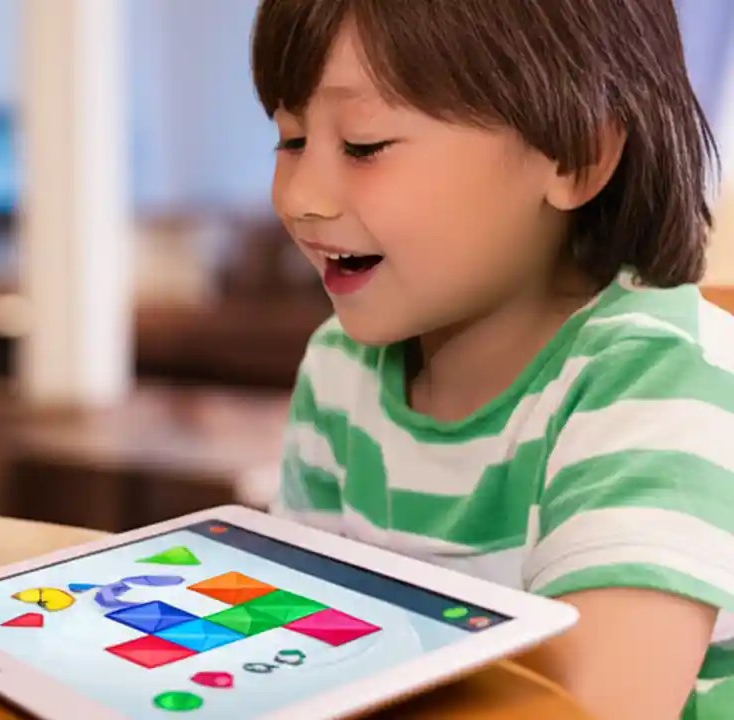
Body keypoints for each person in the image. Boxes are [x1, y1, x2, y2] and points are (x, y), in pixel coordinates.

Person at [253, 1, 734, 717]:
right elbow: (296, 649)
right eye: (290, 141)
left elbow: (588, 708)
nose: (300, 198)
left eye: (363, 144)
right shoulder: (340, 369)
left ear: (577, 156)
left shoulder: (658, 377)